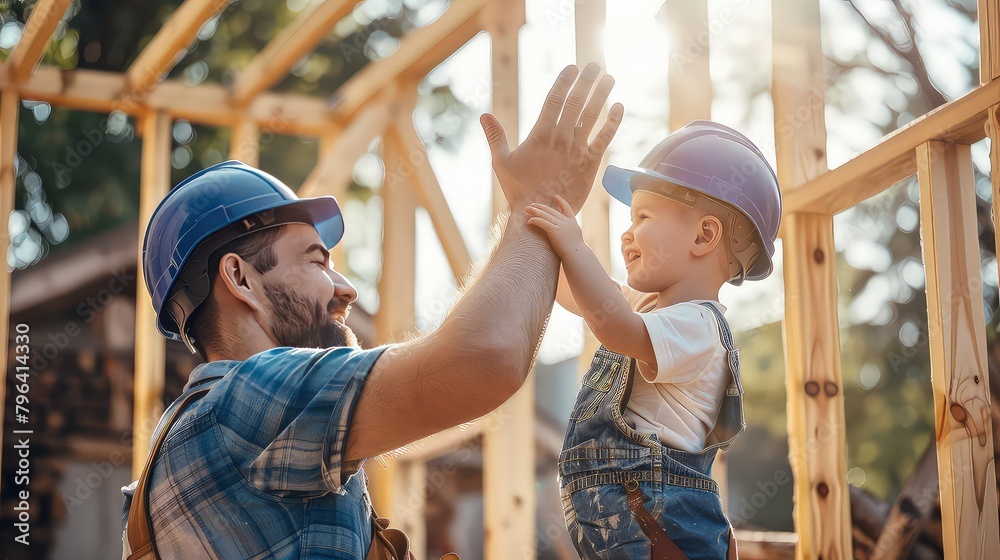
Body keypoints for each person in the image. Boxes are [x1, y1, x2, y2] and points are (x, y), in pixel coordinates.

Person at [121, 62, 624, 559]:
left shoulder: (194, 441)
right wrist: (537, 204)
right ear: (240, 278)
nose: (346, 290)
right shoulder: (244, 403)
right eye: (317, 261)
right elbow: (483, 359)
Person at [524, 121, 781, 559]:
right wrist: (533, 227)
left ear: (704, 236)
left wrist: (575, 246)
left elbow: (614, 325)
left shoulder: (697, 327)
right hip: (620, 517)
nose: (627, 233)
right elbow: (582, 295)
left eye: (642, 217)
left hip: (664, 522)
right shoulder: (644, 307)